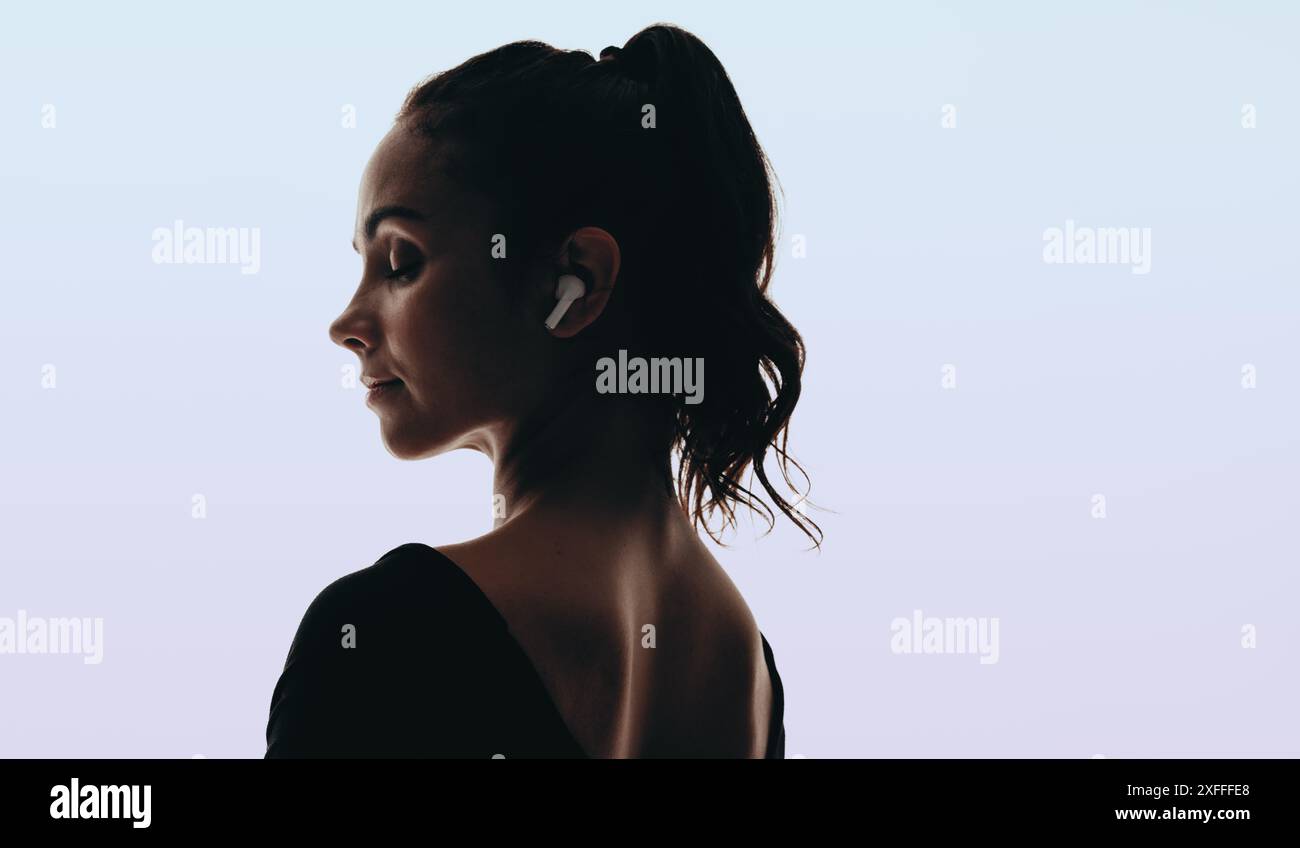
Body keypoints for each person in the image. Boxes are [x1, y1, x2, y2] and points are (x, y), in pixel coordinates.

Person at [265, 22, 819, 758]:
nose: (347, 323)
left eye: (400, 261)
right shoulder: (746, 670)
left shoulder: (389, 629)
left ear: (574, 282)